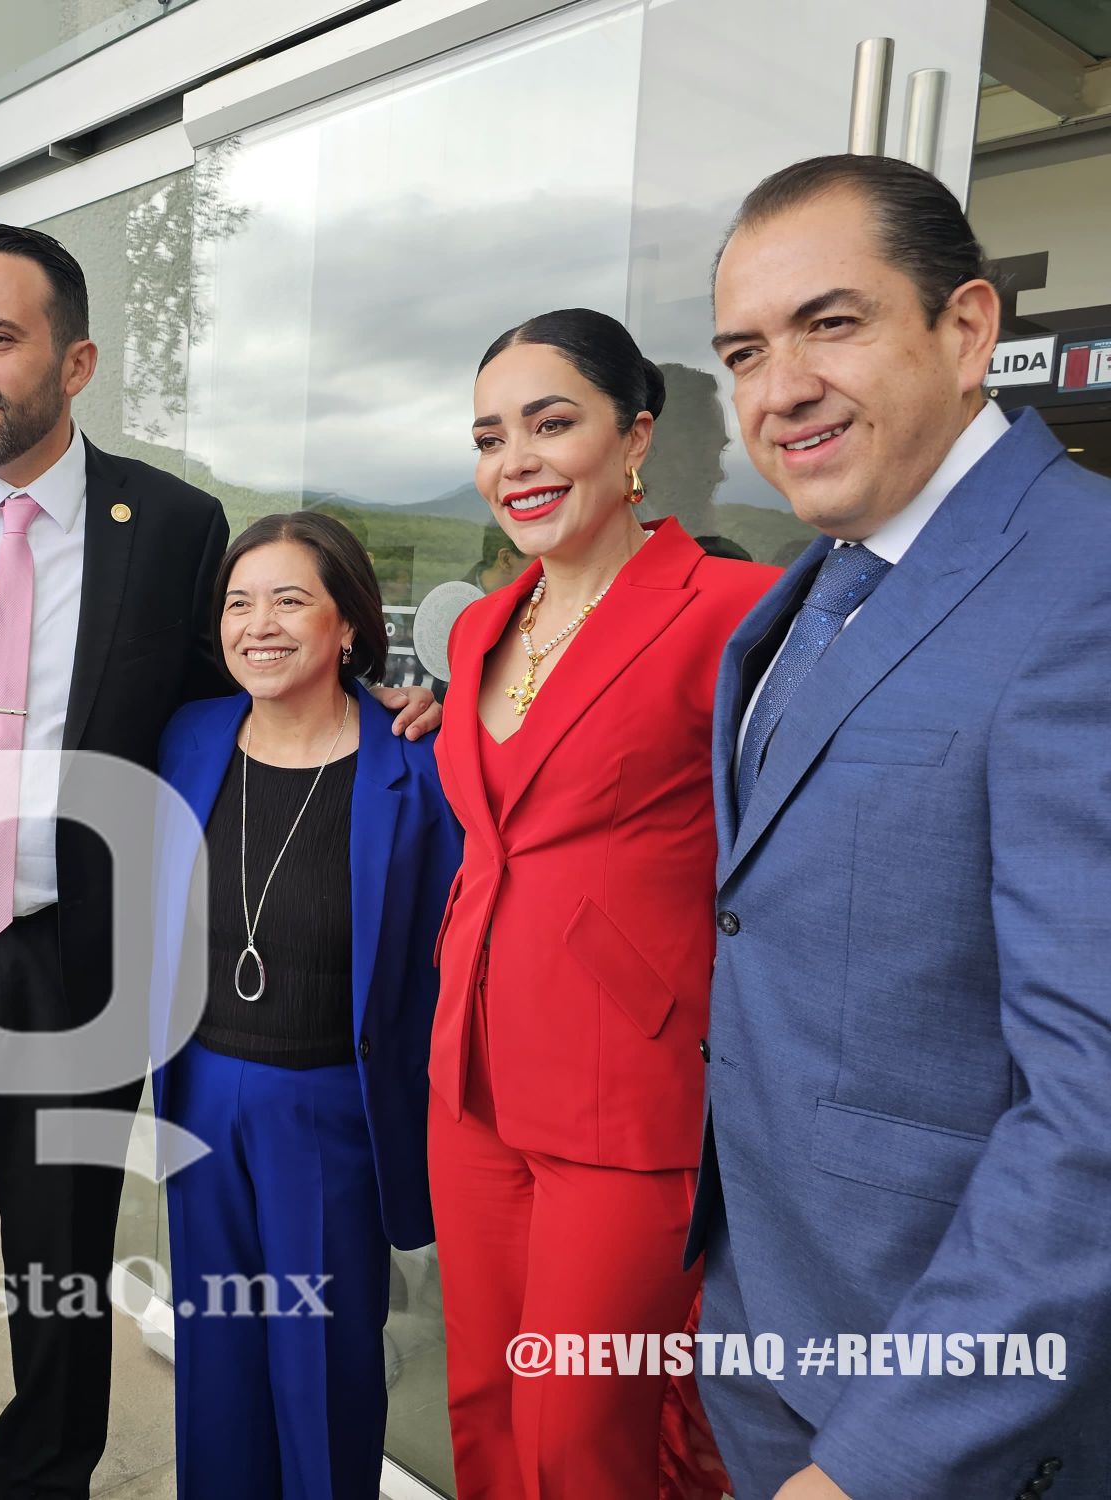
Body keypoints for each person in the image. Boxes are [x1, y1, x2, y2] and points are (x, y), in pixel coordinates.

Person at [0, 223, 440, 1500]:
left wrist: (391, 698)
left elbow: (255, 688)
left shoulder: (168, 526)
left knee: (60, 1265)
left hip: (76, 955)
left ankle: (46, 1481)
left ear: (75, 359)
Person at [693, 153, 1111, 1500]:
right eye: (744, 351)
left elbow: (1094, 1103)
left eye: (832, 323)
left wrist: (888, 1457)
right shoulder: (806, 588)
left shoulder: (1086, 586)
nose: (781, 388)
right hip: (767, 1332)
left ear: (970, 326)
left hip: (953, 1413)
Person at [427, 308, 778, 1500]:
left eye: (548, 422)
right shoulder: (478, 626)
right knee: (479, 1401)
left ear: (633, 439)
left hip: (624, 1095)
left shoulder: (734, 612)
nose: (512, 459)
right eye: (488, 436)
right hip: (468, 1077)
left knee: (584, 1434)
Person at [148, 512, 461, 1499]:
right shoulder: (189, 734)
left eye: (289, 599)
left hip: (330, 1117)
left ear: (347, 625)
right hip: (199, 1097)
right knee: (215, 1369)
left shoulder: (417, 763)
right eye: (239, 603)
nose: (259, 625)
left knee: (321, 1370)